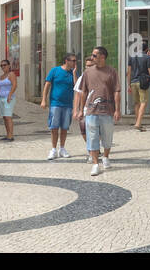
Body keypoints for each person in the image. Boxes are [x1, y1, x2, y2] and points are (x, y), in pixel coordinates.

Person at [73, 45, 120, 176]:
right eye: (92, 55)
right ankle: (95, 164)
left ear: (102, 57)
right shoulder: (87, 73)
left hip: (108, 110)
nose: (92, 57)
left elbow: (116, 91)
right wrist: (82, 109)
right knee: (92, 137)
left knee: (107, 136)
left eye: (95, 55)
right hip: (91, 110)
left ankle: (105, 157)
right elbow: (83, 92)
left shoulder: (112, 71)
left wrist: (117, 110)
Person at [43, 53, 78, 159]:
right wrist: (44, 100)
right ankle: (53, 149)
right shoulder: (55, 71)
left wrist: (75, 73)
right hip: (55, 103)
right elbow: (47, 85)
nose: (75, 63)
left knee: (64, 127)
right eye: (73, 61)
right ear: (66, 61)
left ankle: (62, 148)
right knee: (54, 127)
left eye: (75, 61)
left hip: (68, 104)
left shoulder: (73, 73)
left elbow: (77, 86)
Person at [127, 45, 150, 132]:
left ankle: (138, 123)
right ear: (146, 49)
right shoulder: (147, 57)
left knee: (136, 103)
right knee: (143, 103)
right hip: (142, 82)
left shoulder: (132, 57)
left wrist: (129, 85)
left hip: (133, 82)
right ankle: (138, 123)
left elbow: (129, 72)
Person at [0, 58, 18, 140]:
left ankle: (11, 136)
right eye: (1, 65)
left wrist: (9, 95)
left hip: (8, 99)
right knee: (4, 117)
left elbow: (14, 85)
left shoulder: (11, 74)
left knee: (8, 117)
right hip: (1, 98)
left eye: (4, 65)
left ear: (9, 66)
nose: (3, 67)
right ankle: (8, 135)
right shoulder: (1, 76)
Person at [74, 55, 95, 144]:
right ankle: (91, 148)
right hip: (85, 109)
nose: (88, 67)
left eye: (91, 65)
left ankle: (94, 149)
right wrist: (76, 110)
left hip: (97, 108)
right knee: (83, 130)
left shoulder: (100, 76)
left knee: (95, 130)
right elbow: (78, 94)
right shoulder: (82, 77)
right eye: (87, 66)